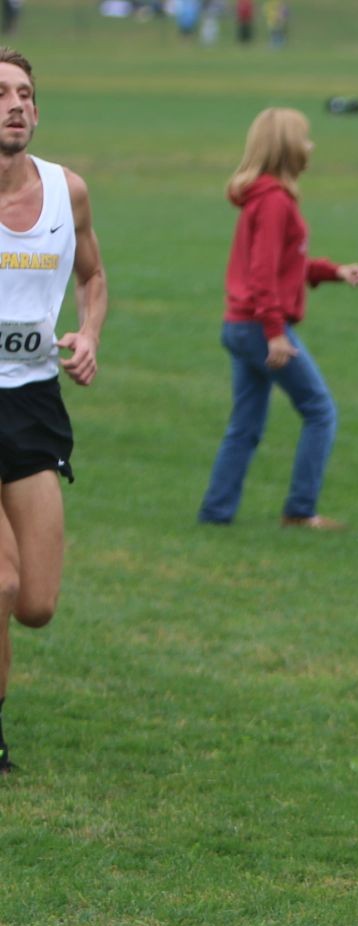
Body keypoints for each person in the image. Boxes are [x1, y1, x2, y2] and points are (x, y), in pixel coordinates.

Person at [0, 48, 108, 774]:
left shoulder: (68, 192)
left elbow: (95, 278)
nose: (15, 105)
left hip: (34, 402)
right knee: (0, 585)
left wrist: (88, 334)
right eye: (2, 93)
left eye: (25, 94)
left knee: (34, 602)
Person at [198, 108, 358, 531]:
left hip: (240, 325)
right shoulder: (273, 202)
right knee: (320, 410)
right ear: (288, 148)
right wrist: (275, 334)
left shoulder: (266, 197)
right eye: (306, 139)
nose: (311, 146)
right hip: (260, 327)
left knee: (245, 425)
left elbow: (285, 264)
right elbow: (262, 275)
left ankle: (216, 514)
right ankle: (300, 510)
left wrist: (333, 271)